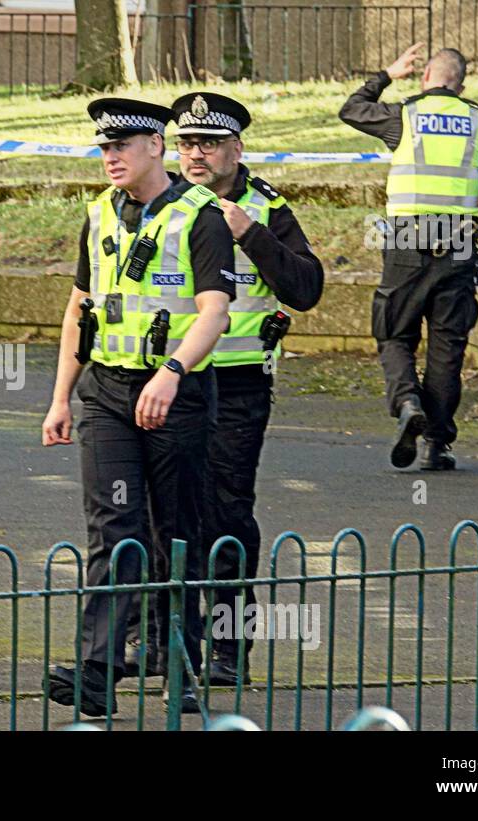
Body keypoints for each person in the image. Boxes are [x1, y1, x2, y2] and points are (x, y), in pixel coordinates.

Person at [41, 98, 236, 717]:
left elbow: (215, 311)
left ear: (156, 145)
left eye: (121, 145)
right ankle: (97, 673)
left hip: (174, 399)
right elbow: (80, 307)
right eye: (103, 147)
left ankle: (180, 663)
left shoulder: (199, 216)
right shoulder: (98, 213)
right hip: (106, 393)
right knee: (111, 529)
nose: (110, 157)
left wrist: (173, 372)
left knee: (174, 533)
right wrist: (60, 397)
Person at [168, 91, 325, 685]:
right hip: (172, 380)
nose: (196, 154)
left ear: (237, 148)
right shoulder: (166, 202)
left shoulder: (267, 207)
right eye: (187, 143)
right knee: (164, 514)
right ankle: (161, 640)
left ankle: (230, 646)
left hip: (237, 387)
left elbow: (307, 289)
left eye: (209, 143)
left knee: (227, 511)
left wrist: (252, 234)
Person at [339, 45, 478, 469]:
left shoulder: (404, 116)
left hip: (406, 238)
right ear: (462, 84)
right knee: (447, 345)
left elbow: (351, 110)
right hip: (456, 242)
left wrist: (387, 74)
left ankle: (406, 403)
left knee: (394, 331)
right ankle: (435, 446)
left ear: (426, 78)